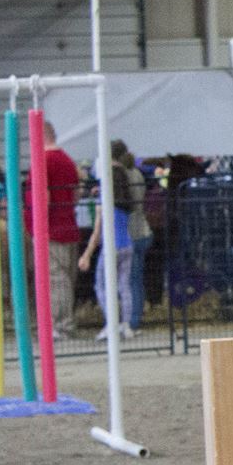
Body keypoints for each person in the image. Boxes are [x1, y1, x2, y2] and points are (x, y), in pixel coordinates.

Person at [25, 120, 85, 338]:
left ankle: (60, 325)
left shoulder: (42, 161)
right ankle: (63, 323)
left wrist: (37, 227)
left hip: (50, 230)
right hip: (68, 225)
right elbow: (76, 194)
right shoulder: (67, 160)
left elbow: (43, 198)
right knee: (65, 278)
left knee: (55, 279)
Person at [76, 141, 137, 341]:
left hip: (111, 247)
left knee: (101, 285)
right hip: (127, 244)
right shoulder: (125, 199)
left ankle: (112, 324)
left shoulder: (104, 201)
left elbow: (97, 232)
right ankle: (126, 325)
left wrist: (86, 255)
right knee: (124, 286)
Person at [121, 149, 153, 331]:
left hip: (132, 233)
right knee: (136, 279)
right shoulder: (137, 173)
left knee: (131, 280)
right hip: (143, 229)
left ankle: (132, 321)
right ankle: (136, 316)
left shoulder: (123, 175)